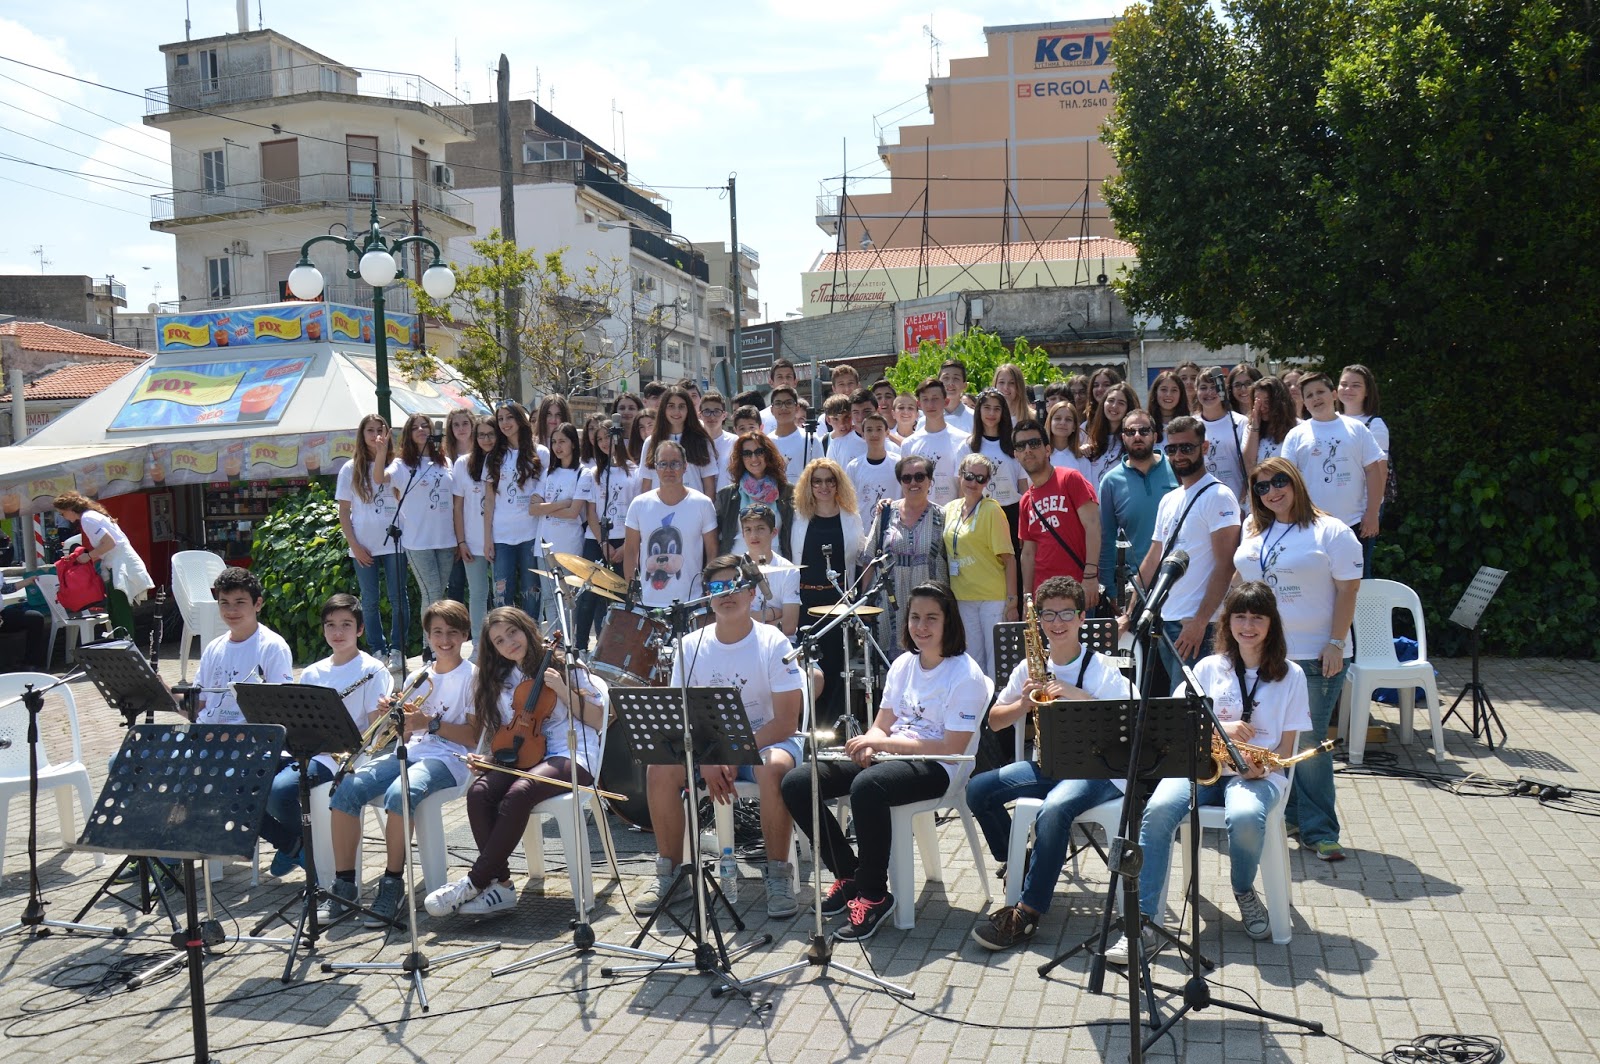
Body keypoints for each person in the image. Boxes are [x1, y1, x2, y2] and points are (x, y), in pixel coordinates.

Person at [1106, 581, 1310, 961]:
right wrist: (1219, 725)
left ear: (1272, 624)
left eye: (1257, 618)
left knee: (1246, 815)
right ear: (1227, 622)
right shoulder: (1208, 667)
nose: (1247, 626)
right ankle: (1143, 925)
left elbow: (1285, 746)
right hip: (1201, 766)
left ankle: (1243, 889)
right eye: (1239, 617)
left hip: (1259, 773)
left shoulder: (1292, 675)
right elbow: (1178, 723)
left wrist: (1260, 766)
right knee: (1158, 810)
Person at [780, 581, 984, 942]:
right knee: (798, 781)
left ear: (949, 622)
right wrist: (871, 744)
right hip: (894, 757)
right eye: (915, 617)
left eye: (931, 619)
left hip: (940, 766)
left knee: (867, 786)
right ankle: (848, 875)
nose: (921, 627)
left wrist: (885, 743)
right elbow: (882, 723)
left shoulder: (965, 674)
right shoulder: (904, 664)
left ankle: (874, 895)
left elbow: (951, 745)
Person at [967, 576, 1138, 950]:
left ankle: (1026, 914)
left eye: (1065, 614)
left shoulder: (1102, 669)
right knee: (978, 789)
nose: (1056, 623)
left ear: (1081, 619)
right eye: (1048, 614)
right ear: (1039, 621)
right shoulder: (1029, 667)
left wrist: (1079, 696)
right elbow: (995, 720)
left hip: (1099, 770)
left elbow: (1131, 719)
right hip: (1049, 764)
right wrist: (1023, 703)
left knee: (1054, 809)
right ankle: (1026, 865)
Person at [636, 555, 807, 919]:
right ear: (707, 597)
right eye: (717, 587)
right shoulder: (690, 644)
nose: (726, 594)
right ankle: (673, 877)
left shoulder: (773, 642)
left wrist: (733, 753)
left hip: (766, 743)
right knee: (659, 768)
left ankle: (778, 875)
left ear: (751, 593)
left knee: (774, 768)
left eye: (734, 585)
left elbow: (787, 722)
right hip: (710, 748)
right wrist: (710, 754)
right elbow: (680, 715)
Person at [425, 606, 609, 918]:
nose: (509, 642)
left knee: (519, 793)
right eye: (499, 640)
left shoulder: (566, 664)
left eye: (513, 632)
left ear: (526, 629)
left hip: (570, 753)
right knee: (480, 792)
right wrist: (490, 759)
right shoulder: (503, 679)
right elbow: (512, 734)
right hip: (525, 757)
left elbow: (599, 719)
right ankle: (501, 885)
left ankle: (475, 881)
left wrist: (563, 690)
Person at [322, 600, 478, 928]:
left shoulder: (473, 677)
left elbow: (475, 737)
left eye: (452, 632)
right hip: (411, 753)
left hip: (450, 760)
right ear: (428, 635)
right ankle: (345, 885)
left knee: (398, 794)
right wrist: (390, 716)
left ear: (465, 635)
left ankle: (392, 884)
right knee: (348, 788)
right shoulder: (419, 677)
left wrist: (429, 723)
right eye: (437, 632)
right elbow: (403, 734)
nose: (444, 639)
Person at [1235, 458, 1361, 862]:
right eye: (1262, 487)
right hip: (1264, 654)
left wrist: (1337, 643)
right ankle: (1290, 815)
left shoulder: (1331, 530)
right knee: (1272, 735)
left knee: (1309, 742)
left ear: (1296, 481)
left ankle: (1320, 829)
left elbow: (1348, 590)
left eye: (1279, 481)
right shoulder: (1253, 529)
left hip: (1313, 654)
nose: (1272, 491)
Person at [260, 595, 393, 877]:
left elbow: (372, 732)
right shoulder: (312, 672)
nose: (337, 632)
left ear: (359, 630)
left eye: (346, 625)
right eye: (330, 625)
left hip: (341, 756)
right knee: (244, 783)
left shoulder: (372, 670)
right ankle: (294, 846)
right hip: (304, 749)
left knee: (279, 792)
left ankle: (306, 851)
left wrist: (383, 714)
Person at [1133, 416, 1242, 689]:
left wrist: (1200, 621)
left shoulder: (1219, 496)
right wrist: (1130, 611)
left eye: (1187, 448)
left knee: (1193, 709)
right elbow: (1152, 558)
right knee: (1177, 706)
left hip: (1198, 625)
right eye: (1172, 449)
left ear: (1204, 448)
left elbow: (1226, 565)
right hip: (1165, 620)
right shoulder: (1169, 499)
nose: (1179, 455)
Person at [1279, 372, 1386, 574]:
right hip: (1310, 525)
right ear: (1304, 402)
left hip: (1354, 524)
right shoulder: (1296, 435)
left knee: (1356, 585)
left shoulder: (1357, 428)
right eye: (1309, 395)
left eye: (1320, 392)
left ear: (1334, 394)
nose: (1315, 398)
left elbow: (1374, 471)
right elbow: (1288, 481)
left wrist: (1372, 513)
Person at [787, 457, 862, 718]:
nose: (824, 486)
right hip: (805, 601)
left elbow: (858, 562)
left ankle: (833, 728)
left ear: (838, 483)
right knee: (807, 666)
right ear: (809, 485)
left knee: (835, 666)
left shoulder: (851, 518)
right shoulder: (798, 518)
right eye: (817, 481)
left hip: (838, 601)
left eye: (830, 480)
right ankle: (808, 726)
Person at [862, 454, 948, 662]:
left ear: (930, 480)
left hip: (931, 603)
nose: (913, 483)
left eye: (920, 476)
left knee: (931, 661)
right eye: (906, 478)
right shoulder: (885, 513)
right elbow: (869, 559)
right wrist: (863, 600)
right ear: (900, 482)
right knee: (888, 669)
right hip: (889, 603)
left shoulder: (943, 515)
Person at [335, 415, 406, 661]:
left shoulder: (396, 465)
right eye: (370, 430)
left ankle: (398, 649)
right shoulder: (349, 468)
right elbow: (344, 511)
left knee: (399, 597)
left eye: (380, 430)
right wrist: (354, 544)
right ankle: (378, 649)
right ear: (361, 434)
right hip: (363, 544)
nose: (376, 435)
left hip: (395, 541)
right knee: (370, 600)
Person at [187, 565, 295, 725]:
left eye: (240, 602)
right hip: (205, 738)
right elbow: (198, 707)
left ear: (257, 604)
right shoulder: (213, 648)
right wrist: (161, 689)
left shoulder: (272, 647)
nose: (231, 610)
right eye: (224, 603)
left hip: (247, 743)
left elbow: (281, 710)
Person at [1096, 409, 1179, 611]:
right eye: (1130, 432)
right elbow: (1105, 538)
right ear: (1123, 438)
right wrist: (1110, 589)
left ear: (1155, 436)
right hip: (1135, 587)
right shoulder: (1110, 481)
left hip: (1179, 581)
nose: (1138, 436)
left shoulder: (1178, 469)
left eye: (1144, 430)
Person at [942, 453, 1017, 675]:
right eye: (969, 476)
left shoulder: (992, 510)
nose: (974, 483)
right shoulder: (950, 509)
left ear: (987, 483)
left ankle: (998, 707)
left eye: (981, 479)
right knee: (973, 662)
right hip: (963, 597)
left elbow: (1009, 559)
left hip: (991, 598)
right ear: (960, 475)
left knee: (996, 662)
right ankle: (980, 708)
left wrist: (1012, 602)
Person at [623, 440, 719, 610]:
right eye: (663, 464)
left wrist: (707, 589)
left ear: (685, 466)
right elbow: (630, 551)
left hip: (691, 600)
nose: (669, 469)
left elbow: (712, 551)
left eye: (675, 463)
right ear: (655, 467)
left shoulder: (703, 504)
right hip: (648, 602)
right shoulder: (639, 504)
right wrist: (632, 591)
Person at [1015, 419, 1100, 603]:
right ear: (1016, 455)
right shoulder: (1025, 501)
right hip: (1043, 595)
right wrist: (1027, 597)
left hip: (1077, 588)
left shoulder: (1070, 478)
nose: (1028, 449)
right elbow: (1028, 553)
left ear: (1047, 449)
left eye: (1034, 443)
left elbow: (1093, 526)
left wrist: (1091, 575)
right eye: (1021, 446)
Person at [390, 413, 456, 652]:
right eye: (415, 427)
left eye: (425, 426)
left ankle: (437, 644)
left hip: (446, 539)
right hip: (417, 541)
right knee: (432, 592)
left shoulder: (445, 461)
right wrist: (379, 454)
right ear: (408, 434)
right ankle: (430, 647)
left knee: (439, 593)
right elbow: (380, 478)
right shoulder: (401, 464)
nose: (421, 429)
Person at [50, 491, 153, 639]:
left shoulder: (87, 519)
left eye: (62, 513)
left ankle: (127, 647)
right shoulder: (92, 515)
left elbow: (110, 543)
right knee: (115, 609)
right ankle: (124, 646)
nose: (63, 517)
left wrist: (88, 556)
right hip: (119, 564)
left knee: (120, 611)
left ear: (70, 509)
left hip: (119, 567)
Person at [575, 417, 638, 650]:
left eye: (607, 437)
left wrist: (626, 546)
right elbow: (590, 512)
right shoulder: (592, 473)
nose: (603, 442)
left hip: (626, 539)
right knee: (588, 595)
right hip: (597, 540)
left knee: (620, 596)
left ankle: (615, 648)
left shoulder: (634, 471)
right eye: (598, 439)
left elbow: (637, 510)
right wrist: (603, 542)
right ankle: (580, 647)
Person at [484, 402, 543, 618]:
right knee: (502, 594)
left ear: (520, 419)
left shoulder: (541, 452)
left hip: (531, 533)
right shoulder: (494, 457)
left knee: (531, 592)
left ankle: (533, 641)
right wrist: (487, 538)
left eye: (509, 417)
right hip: (502, 536)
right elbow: (489, 500)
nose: (505, 423)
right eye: (500, 419)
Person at [530, 422, 591, 627]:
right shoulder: (548, 473)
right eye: (554, 441)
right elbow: (533, 509)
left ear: (573, 444)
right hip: (544, 545)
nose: (558, 446)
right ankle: (556, 645)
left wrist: (549, 507)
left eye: (562, 441)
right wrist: (561, 504)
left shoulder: (583, 473)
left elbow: (573, 513)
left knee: (568, 598)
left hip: (569, 546)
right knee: (549, 597)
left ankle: (569, 645)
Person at [451, 417, 499, 638]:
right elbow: (458, 506)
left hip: (502, 538)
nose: (486, 439)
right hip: (472, 539)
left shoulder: (504, 461)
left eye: (491, 434)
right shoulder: (463, 464)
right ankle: (479, 643)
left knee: (501, 595)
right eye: (481, 435)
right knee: (478, 593)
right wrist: (461, 541)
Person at [715, 431, 794, 556]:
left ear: (768, 454)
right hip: (738, 565)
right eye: (747, 453)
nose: (754, 458)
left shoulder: (787, 492)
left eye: (759, 452)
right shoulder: (727, 495)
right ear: (740, 458)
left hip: (776, 565)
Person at [641, 385, 719, 497]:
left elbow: (709, 486)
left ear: (689, 410)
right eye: (671, 406)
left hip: (693, 509)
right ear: (663, 409)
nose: (676, 411)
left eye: (681, 406)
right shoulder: (651, 442)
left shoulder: (701, 440)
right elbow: (646, 485)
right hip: (660, 510)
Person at [902, 378, 966, 506]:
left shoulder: (963, 440)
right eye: (925, 399)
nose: (930, 404)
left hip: (952, 515)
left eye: (935, 399)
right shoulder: (909, 444)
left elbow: (964, 484)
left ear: (946, 402)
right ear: (919, 405)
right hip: (920, 516)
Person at [739, 504, 801, 637]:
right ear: (743, 534)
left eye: (760, 529)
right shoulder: (733, 569)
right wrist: (770, 614)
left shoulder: (789, 571)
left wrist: (750, 621)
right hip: (742, 642)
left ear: (773, 532)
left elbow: (789, 626)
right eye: (748, 530)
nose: (753, 535)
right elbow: (728, 620)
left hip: (779, 642)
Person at [1194, 367, 1251, 505]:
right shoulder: (1192, 424)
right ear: (1196, 391)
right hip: (1203, 501)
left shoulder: (1240, 422)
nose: (1209, 392)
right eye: (1203, 387)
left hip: (1235, 499)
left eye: (1214, 387)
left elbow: (1248, 465)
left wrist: (1243, 502)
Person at [442, 408, 478, 605]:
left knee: (481, 584)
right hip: (452, 527)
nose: (461, 428)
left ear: (472, 425)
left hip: (479, 525)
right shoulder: (445, 457)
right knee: (455, 584)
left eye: (465, 423)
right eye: (456, 424)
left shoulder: (483, 452)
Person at [844, 412, 902, 517]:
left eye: (879, 429)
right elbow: (849, 501)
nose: (874, 434)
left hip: (894, 527)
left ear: (887, 433)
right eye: (869, 430)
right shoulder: (853, 466)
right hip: (864, 529)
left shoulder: (898, 463)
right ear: (863, 434)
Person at [1085, 381, 1140, 488]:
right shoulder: (1093, 440)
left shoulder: (1134, 441)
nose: (1114, 406)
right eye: (1110, 400)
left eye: (1121, 403)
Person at [1241, 375, 1300, 474]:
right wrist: (1255, 426)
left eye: (1267, 402)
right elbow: (1248, 465)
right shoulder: (1250, 429)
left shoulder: (1299, 428)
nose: (1262, 408)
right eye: (1258, 402)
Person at [765, 385, 822, 485]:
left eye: (788, 403)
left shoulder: (810, 439)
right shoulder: (766, 442)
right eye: (778, 403)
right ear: (772, 410)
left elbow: (821, 475)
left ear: (796, 408)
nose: (783, 407)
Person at [698, 391, 739, 492]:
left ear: (724, 415)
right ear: (700, 415)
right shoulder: (695, 443)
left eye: (717, 411)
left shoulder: (735, 441)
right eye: (707, 411)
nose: (712, 417)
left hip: (727, 501)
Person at [1046, 400, 1093, 483]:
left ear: (1074, 427)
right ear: (1050, 423)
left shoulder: (1081, 461)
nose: (1062, 422)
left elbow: (1088, 493)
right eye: (1057, 418)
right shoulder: (1041, 457)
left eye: (1068, 419)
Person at [1147, 369, 1191, 446]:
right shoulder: (1145, 424)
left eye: (1174, 390)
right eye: (1163, 389)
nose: (1168, 394)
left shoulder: (1191, 424)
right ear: (1155, 392)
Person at [759, 358, 800, 432]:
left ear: (795, 382)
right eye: (780, 377)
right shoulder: (761, 418)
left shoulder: (805, 414)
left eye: (788, 377)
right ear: (771, 382)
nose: (784, 381)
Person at [938, 359, 976, 436]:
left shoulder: (975, 418)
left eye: (956, 378)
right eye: (946, 378)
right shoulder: (927, 419)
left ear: (965, 385)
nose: (950, 383)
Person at [992, 363, 1032, 430]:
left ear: (1019, 387)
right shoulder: (989, 418)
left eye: (1012, 383)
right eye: (1001, 382)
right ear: (995, 385)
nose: (1006, 387)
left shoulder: (1033, 418)